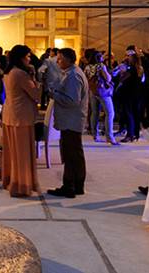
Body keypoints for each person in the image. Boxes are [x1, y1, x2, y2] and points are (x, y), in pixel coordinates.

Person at [46, 48, 88, 198]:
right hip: (71, 119)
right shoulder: (72, 73)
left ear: (70, 60)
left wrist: (54, 94)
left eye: (60, 59)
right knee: (74, 152)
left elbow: (72, 100)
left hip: (72, 120)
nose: (58, 62)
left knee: (71, 153)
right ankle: (76, 185)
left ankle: (70, 185)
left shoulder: (73, 76)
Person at [1, 45, 40, 197]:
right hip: (21, 117)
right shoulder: (20, 74)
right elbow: (36, 94)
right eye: (28, 56)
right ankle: (21, 184)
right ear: (21, 57)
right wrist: (35, 77)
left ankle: (11, 179)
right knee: (22, 153)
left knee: (13, 152)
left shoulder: (8, 72)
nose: (29, 59)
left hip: (10, 114)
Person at [84, 50, 118, 144]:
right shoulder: (100, 66)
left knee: (95, 113)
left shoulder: (87, 67)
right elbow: (108, 78)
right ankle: (109, 137)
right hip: (103, 91)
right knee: (110, 113)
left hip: (92, 91)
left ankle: (95, 135)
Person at [115, 48, 145, 142]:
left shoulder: (131, 69)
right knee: (135, 114)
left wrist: (122, 73)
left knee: (128, 114)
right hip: (137, 94)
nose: (127, 58)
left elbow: (122, 79)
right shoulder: (140, 68)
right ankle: (135, 134)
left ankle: (130, 135)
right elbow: (142, 80)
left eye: (129, 57)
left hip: (128, 94)